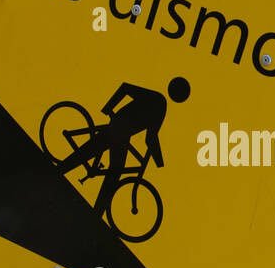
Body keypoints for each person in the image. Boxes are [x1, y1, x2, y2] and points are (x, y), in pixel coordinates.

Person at [58, 77, 190, 216]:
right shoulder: (159, 101)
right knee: (103, 158)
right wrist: (108, 107)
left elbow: (150, 138)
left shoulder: (160, 105)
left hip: (123, 133)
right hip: (119, 127)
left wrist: (159, 161)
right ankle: (94, 210)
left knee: (108, 163)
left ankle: (96, 211)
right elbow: (126, 88)